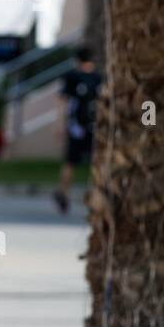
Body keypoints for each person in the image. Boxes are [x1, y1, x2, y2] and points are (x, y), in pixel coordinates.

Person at [54, 46, 102, 214]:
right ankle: (95, 196)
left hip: (76, 127)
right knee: (95, 162)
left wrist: (60, 125)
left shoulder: (72, 77)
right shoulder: (98, 77)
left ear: (77, 60)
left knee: (70, 162)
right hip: (93, 126)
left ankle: (63, 192)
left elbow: (62, 101)